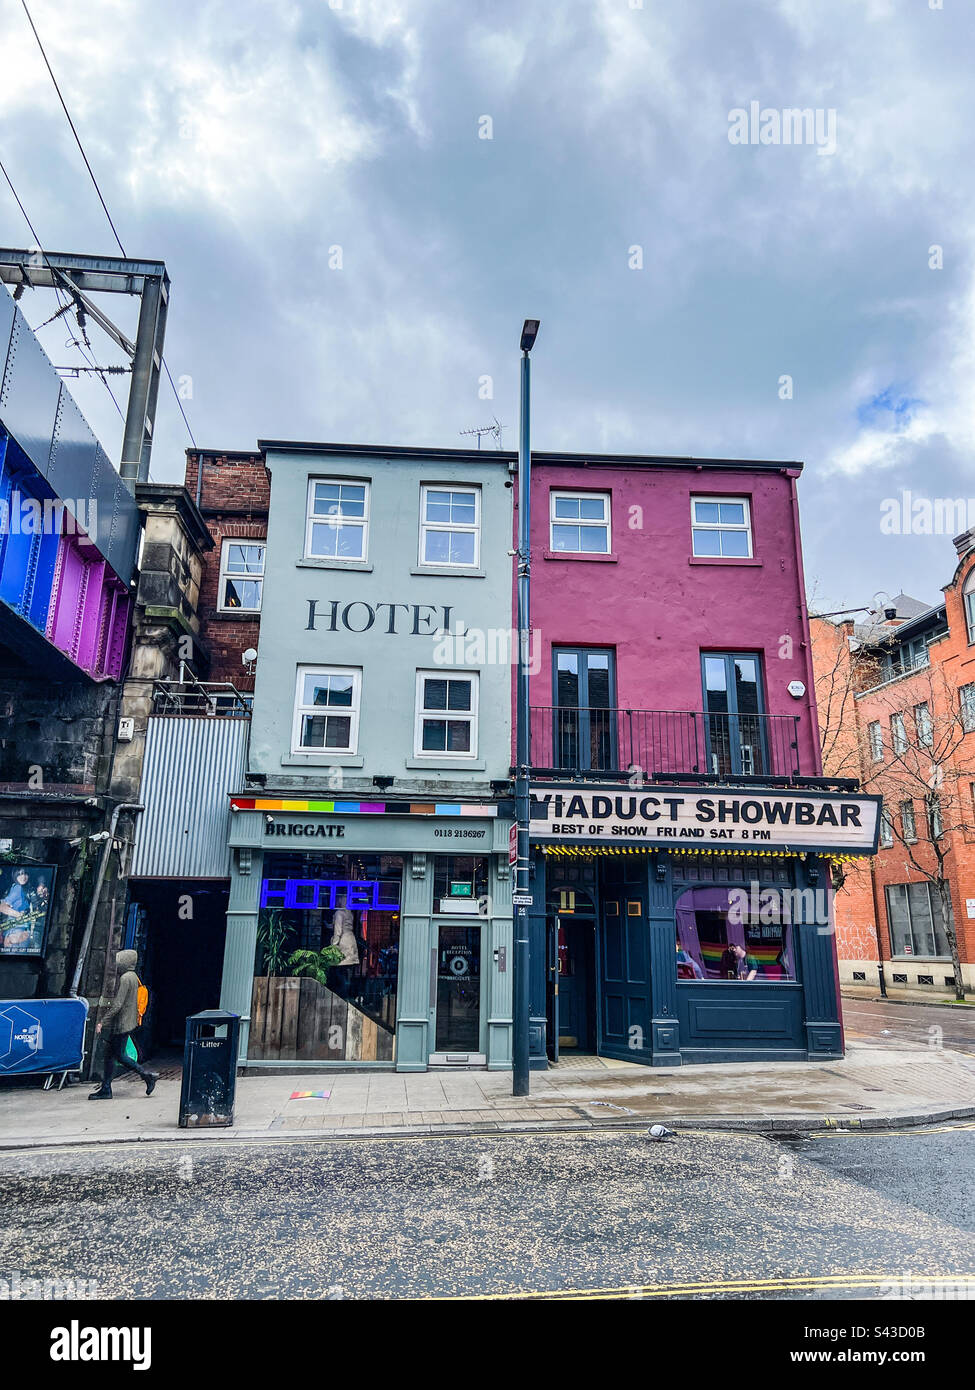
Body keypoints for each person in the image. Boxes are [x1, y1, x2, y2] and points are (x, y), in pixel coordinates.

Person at [88, 949, 157, 1100]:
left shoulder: (126, 978)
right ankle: (106, 1087)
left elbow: (118, 1004)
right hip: (127, 1021)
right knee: (111, 1055)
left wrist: (103, 1021)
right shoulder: (133, 977)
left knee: (119, 1055)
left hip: (121, 1023)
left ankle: (146, 1076)